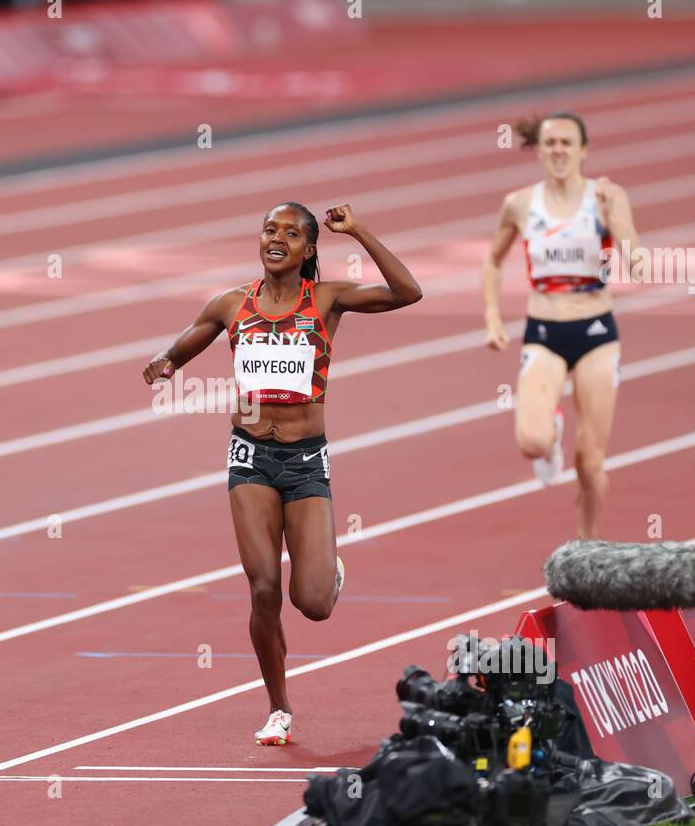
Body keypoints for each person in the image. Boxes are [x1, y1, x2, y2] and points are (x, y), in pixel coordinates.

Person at [142, 202, 421, 744]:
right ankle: (279, 706)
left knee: (312, 604)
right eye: (270, 229)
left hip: (306, 460)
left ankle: (328, 569)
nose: (278, 238)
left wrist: (359, 230)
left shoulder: (329, 299)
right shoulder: (232, 304)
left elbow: (407, 292)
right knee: (264, 587)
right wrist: (166, 363)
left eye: (292, 234)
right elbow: (188, 340)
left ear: (309, 250)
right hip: (249, 457)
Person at [481, 111, 639, 539]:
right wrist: (493, 315)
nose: (558, 151)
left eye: (567, 143)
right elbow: (493, 261)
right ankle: (550, 433)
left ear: (583, 151)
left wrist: (614, 217)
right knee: (530, 442)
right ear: (539, 150)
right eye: (550, 143)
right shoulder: (520, 204)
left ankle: (588, 547)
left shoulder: (607, 198)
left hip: (596, 335)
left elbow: (637, 264)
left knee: (590, 460)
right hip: (545, 332)